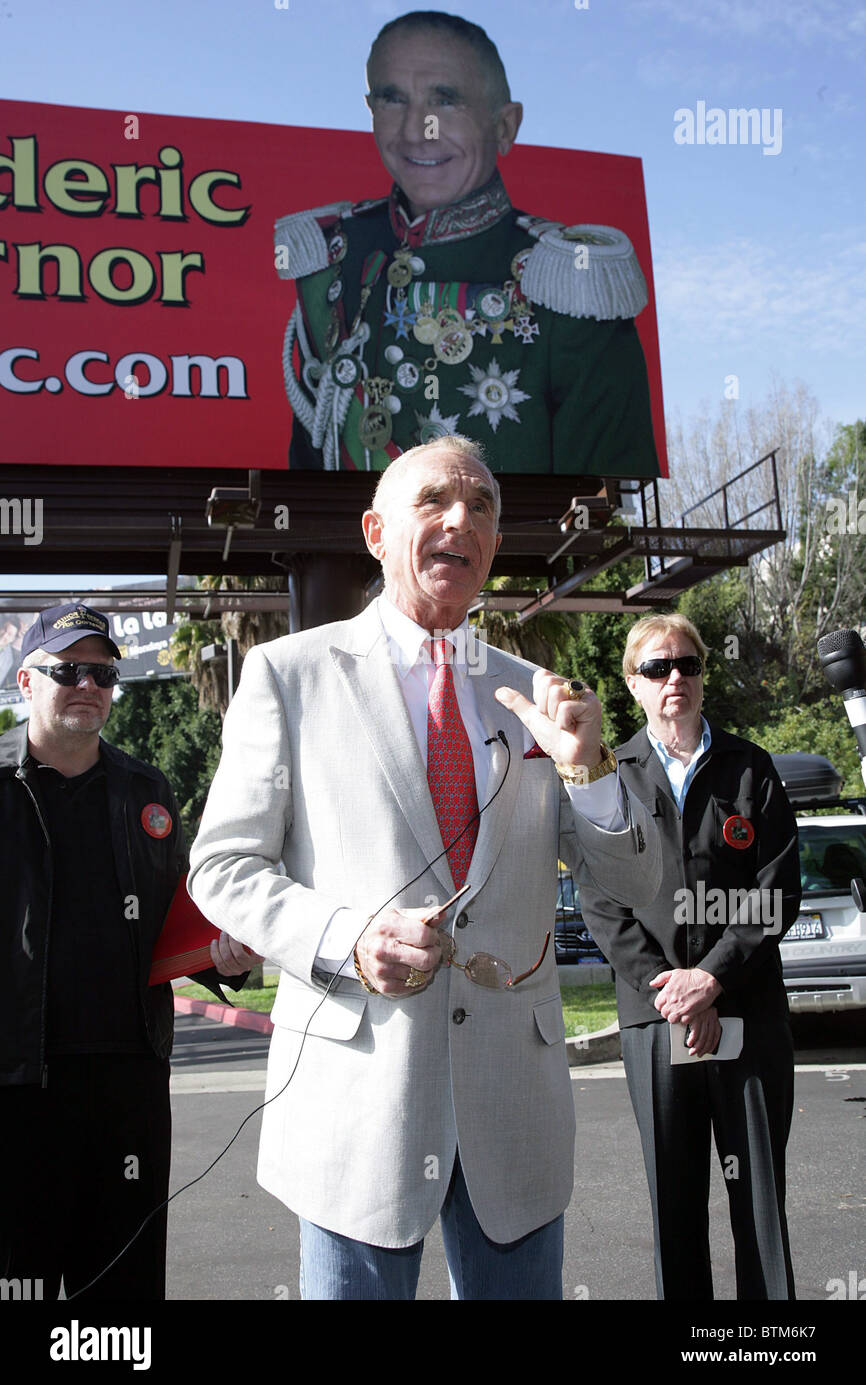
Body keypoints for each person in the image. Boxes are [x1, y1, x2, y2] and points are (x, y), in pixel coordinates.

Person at [189, 434, 661, 1300]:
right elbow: (222, 867)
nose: (463, 520)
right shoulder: (288, 675)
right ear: (374, 532)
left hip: (512, 1108)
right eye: (436, 500)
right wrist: (348, 938)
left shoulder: (540, 697)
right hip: (354, 1105)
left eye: (482, 505)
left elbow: (634, 889)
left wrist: (588, 776)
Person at [276, 10, 659, 477]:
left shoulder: (571, 277)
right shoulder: (334, 252)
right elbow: (311, 461)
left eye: (446, 101)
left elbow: (598, 498)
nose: (417, 130)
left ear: (505, 126)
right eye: (393, 99)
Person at [0, 603, 253, 1300]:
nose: (89, 686)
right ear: (26, 681)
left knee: (120, 1293)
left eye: (104, 674)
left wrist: (219, 954)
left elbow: (171, 919)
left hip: (128, 1090)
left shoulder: (147, 790)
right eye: (70, 670)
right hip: (16, 1088)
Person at [576, 613, 801, 1300]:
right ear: (632, 685)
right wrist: (669, 992)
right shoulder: (609, 778)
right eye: (656, 668)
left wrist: (711, 980)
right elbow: (601, 902)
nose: (675, 678)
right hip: (654, 1021)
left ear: (703, 674)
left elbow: (777, 892)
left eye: (687, 665)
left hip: (749, 1017)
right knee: (674, 1204)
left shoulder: (750, 768)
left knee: (759, 1201)